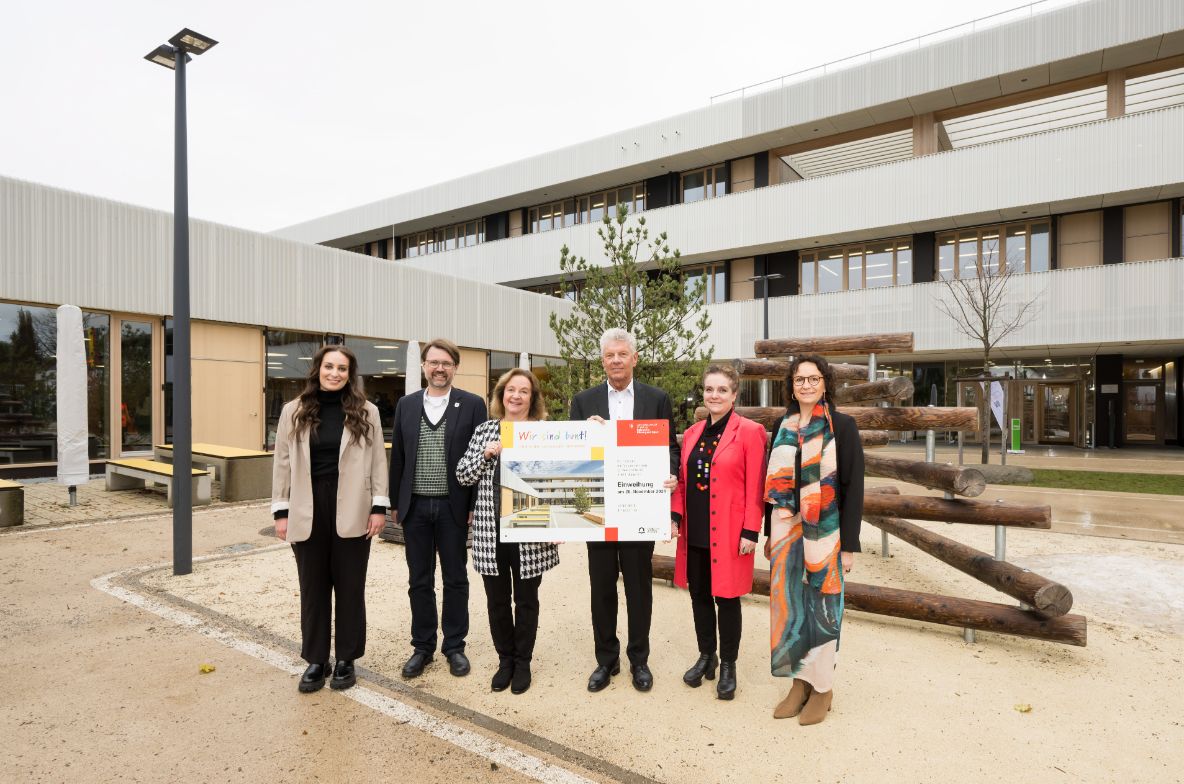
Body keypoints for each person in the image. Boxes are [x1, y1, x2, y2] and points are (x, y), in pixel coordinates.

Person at [271, 345, 389, 693]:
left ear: (350, 374)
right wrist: (281, 511)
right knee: (313, 587)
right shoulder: (294, 411)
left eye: (342, 368)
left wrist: (378, 507)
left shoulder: (367, 412)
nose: (335, 373)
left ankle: (346, 659)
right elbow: (281, 461)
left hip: (353, 505)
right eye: (329, 366)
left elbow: (379, 461)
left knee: (351, 587)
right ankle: (316, 659)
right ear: (318, 369)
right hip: (307, 506)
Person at [570, 328, 679, 693]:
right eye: (609, 356)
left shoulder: (656, 398)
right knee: (601, 590)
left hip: (639, 509)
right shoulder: (583, 402)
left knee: (638, 589)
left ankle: (639, 661)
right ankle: (606, 660)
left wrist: (672, 474)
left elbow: (671, 448)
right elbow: (571, 459)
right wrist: (583, 435)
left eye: (622, 354)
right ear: (602, 361)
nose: (615, 360)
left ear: (634, 358)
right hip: (598, 512)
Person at [763, 353, 864, 725]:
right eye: (799, 379)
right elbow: (772, 485)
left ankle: (822, 688)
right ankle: (798, 682)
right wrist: (766, 535)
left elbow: (854, 489)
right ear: (790, 385)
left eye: (812, 378)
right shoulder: (781, 424)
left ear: (825, 382)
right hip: (785, 532)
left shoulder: (843, 425)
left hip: (827, 534)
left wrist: (849, 545)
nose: (805, 385)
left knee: (822, 609)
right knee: (789, 610)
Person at [456, 368, 559, 695]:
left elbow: (562, 479)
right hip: (491, 530)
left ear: (533, 398)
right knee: (496, 601)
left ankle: (524, 661)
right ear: (501, 396)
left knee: (527, 600)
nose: (516, 396)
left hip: (529, 528)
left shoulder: (544, 432)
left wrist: (561, 520)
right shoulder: (485, 431)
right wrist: (486, 454)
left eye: (523, 391)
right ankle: (506, 660)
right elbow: (462, 475)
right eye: (510, 390)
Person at [389, 338, 487, 679]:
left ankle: (454, 646)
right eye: (433, 362)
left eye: (446, 363)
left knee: (456, 578)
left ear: (455, 367)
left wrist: (474, 503)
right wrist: (394, 503)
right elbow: (398, 457)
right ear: (423, 366)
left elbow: (478, 460)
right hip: (415, 507)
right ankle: (423, 646)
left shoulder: (473, 405)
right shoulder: (407, 404)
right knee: (419, 579)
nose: (439, 368)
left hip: (453, 507)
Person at [670, 364, 767, 701]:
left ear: (734, 394)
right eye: (709, 389)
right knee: (699, 597)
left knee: (726, 599)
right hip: (694, 530)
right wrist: (675, 517)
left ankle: (728, 665)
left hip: (729, 532)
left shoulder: (751, 432)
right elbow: (682, 482)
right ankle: (706, 657)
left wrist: (751, 531)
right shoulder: (693, 432)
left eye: (721, 390)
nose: (714, 395)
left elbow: (757, 485)